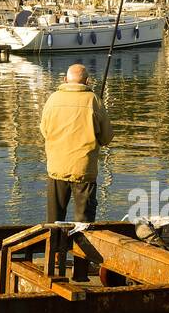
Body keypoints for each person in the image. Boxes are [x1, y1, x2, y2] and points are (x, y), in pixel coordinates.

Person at [39, 63, 114, 225]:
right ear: (87, 82)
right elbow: (106, 138)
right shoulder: (94, 101)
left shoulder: (53, 99)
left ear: (65, 80)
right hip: (84, 169)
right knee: (83, 224)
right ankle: (81, 249)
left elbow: (44, 131)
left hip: (56, 168)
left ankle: (54, 249)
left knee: (53, 222)